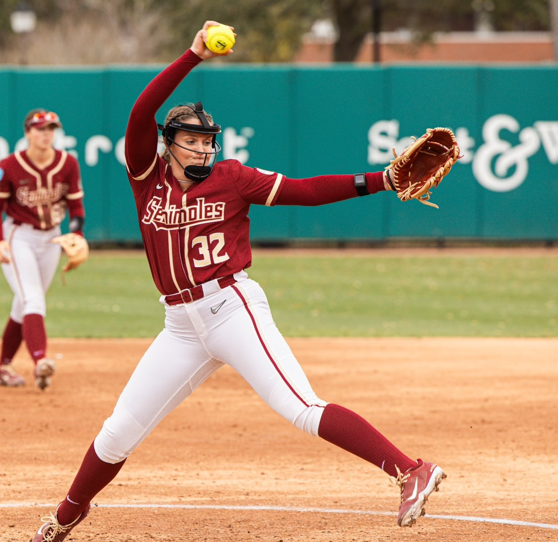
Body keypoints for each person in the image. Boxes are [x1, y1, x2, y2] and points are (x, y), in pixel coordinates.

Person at [29, 22, 446, 541]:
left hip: (232, 308)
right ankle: (68, 513)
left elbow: (306, 191)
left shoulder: (232, 177)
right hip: (179, 324)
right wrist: (192, 55)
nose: (203, 150)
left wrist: (378, 181)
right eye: (191, 141)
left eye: (208, 141)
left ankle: (412, 470)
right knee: (119, 431)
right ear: (168, 146)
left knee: (300, 408)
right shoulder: (147, 177)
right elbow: (140, 113)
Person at [0, 109, 86, 391]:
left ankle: (3, 367)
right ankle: (40, 360)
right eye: (40, 129)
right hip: (20, 237)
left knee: (24, 304)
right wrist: (0, 241)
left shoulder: (68, 163)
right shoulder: (9, 165)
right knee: (32, 299)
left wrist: (76, 234)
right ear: (28, 132)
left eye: (51, 129)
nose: (46, 134)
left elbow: (76, 205)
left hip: (52, 238)